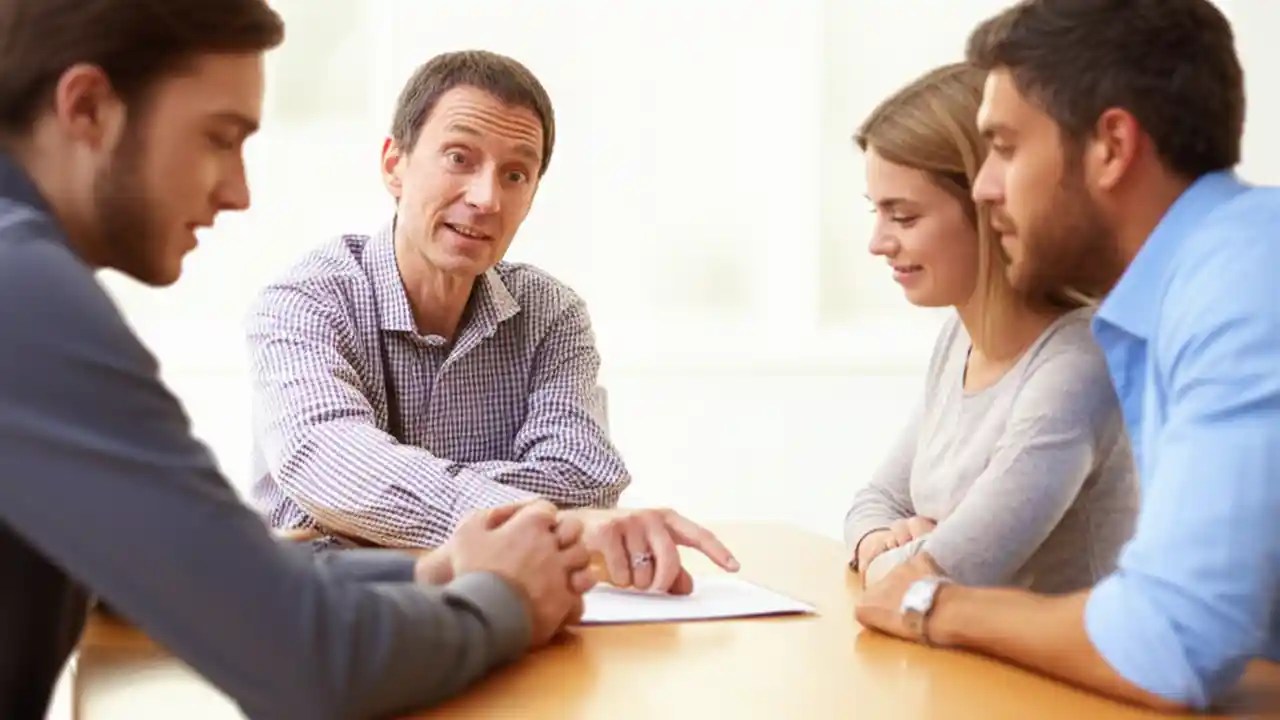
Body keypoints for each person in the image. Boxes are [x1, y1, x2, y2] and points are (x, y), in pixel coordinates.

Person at [0, 2, 596, 718]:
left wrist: (434, 572)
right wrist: (504, 600)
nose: (237, 191)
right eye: (219, 139)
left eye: (514, 175)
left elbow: (197, 573)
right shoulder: (23, 295)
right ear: (88, 108)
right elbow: (308, 661)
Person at [855, 0, 1280, 711]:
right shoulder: (1182, 294)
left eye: (1006, 147)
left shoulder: (1242, 292)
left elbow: (1168, 643)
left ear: (1112, 146)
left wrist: (932, 600)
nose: (985, 186)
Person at [246, 49, 738, 593]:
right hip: (329, 614)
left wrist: (373, 512)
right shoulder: (303, 300)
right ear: (394, 165)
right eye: (459, 158)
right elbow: (328, 466)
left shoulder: (553, 314)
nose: (486, 198)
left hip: (504, 613)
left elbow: (585, 481)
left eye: (515, 174)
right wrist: (545, 523)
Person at [844, 63, 1137, 592]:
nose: (878, 242)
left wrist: (915, 556)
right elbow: (875, 503)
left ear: (989, 206)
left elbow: (942, 577)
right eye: (877, 213)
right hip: (963, 663)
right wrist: (883, 544)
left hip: (1056, 676)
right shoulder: (960, 340)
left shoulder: (1077, 366)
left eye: (903, 217)